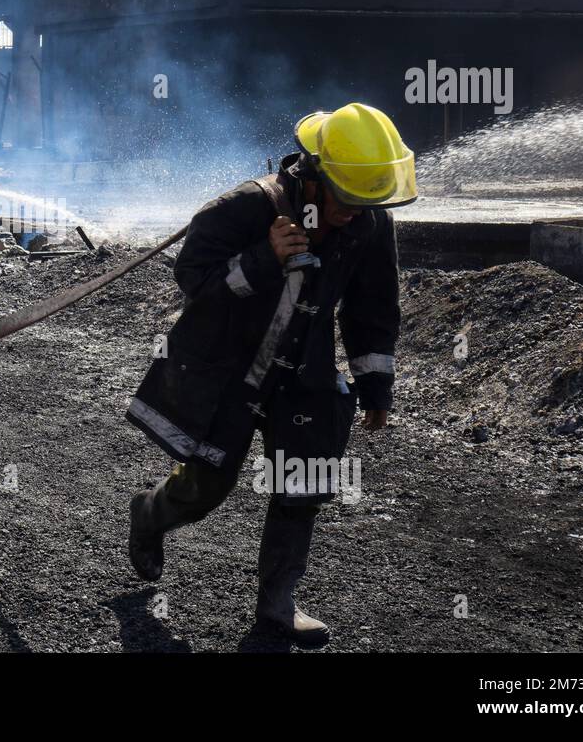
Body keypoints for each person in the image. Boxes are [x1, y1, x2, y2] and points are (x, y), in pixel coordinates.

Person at [125, 102, 417, 646]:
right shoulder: (248, 207)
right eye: (348, 199)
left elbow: (372, 307)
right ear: (315, 175)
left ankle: (278, 606)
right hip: (230, 371)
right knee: (208, 487)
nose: (356, 213)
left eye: (367, 201)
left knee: (300, 486)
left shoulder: (369, 220)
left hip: (302, 373)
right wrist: (262, 258)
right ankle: (150, 515)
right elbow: (193, 278)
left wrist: (376, 384)